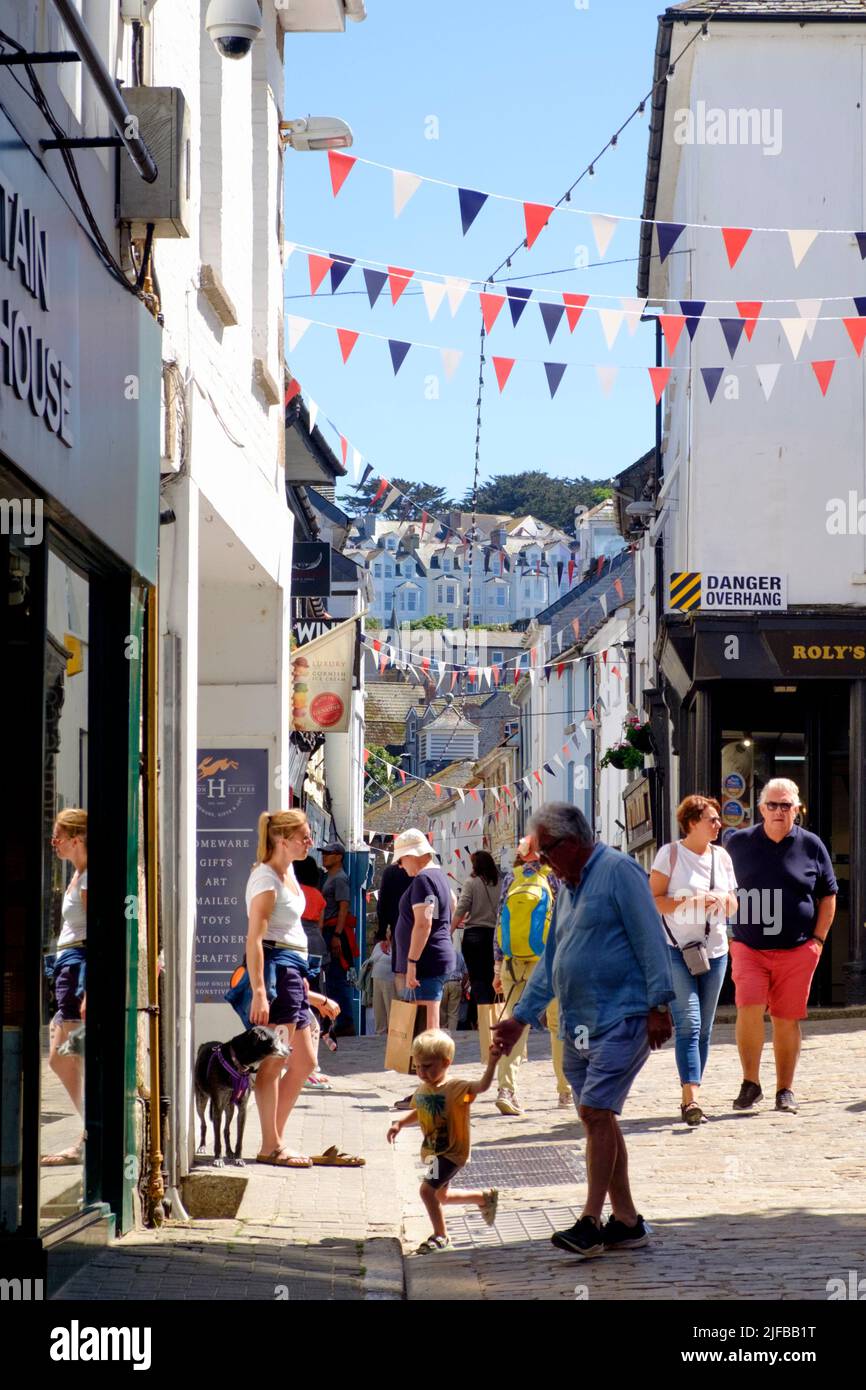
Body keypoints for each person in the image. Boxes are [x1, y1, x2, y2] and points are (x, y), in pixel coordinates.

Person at [493, 804, 675, 1260]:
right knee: (601, 1119)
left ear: (570, 843)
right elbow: (553, 958)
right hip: (578, 1022)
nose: (543, 862)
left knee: (594, 1112)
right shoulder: (568, 887)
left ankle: (590, 1221)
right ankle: (628, 1222)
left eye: (547, 852)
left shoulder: (619, 872)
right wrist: (520, 1017)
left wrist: (659, 1003)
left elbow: (650, 937)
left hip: (624, 1014)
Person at [725, 778, 837, 1115]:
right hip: (749, 945)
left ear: (797, 809)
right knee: (749, 1007)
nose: (778, 811)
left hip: (797, 948)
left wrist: (817, 941)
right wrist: (729, 935)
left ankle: (784, 1089)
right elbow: (720, 888)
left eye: (785, 805)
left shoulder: (812, 845)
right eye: (772, 805)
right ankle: (750, 1083)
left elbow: (828, 895)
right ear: (760, 809)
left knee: (787, 1019)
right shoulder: (738, 843)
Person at [246, 810, 340, 1166]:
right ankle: (271, 1145)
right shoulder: (266, 879)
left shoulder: (288, 875)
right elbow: (255, 939)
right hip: (278, 973)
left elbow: (289, 935)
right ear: (281, 840)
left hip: (293, 973)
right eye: (303, 836)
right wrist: (258, 990)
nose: (309, 842)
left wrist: (311, 995)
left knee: (304, 1061)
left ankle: (275, 1140)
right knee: (275, 1062)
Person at [650, 796, 738, 1126]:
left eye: (717, 819)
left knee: (705, 1030)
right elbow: (654, 901)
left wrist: (720, 901)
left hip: (714, 951)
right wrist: (691, 901)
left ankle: (690, 1093)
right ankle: (691, 1099)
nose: (718, 824)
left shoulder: (722, 857)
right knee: (690, 1023)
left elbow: (733, 904)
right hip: (675, 950)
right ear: (692, 823)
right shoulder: (670, 855)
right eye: (712, 819)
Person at [387, 1029, 501, 1253]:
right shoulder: (423, 1088)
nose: (422, 1072)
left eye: (428, 1066)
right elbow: (420, 1110)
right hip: (434, 1152)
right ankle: (484, 1198)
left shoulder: (457, 1089)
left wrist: (493, 1063)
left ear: (446, 1062)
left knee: (426, 1191)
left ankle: (441, 1236)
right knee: (442, 1196)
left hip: (451, 1152)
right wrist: (400, 1123)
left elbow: (482, 1087)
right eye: (418, 1066)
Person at [492, 838, 565, 1115]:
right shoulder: (556, 877)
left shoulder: (512, 877)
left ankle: (506, 1089)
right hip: (547, 962)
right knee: (558, 1026)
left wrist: (498, 966)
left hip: (514, 963)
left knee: (515, 1024)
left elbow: (500, 921)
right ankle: (565, 1090)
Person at [390, 828, 456, 1111]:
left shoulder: (423, 880)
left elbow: (424, 922)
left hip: (427, 961)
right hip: (437, 956)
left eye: (401, 860)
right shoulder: (439, 876)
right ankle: (430, 1089)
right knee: (431, 1027)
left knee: (429, 1031)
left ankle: (431, 1092)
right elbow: (452, 905)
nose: (399, 866)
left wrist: (412, 961)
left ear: (413, 856)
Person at [42, 808, 89, 1167]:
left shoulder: (87, 879)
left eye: (58, 836)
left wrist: (91, 988)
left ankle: (90, 1135)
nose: (53, 842)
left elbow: (97, 932)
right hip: (68, 968)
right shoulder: (77, 875)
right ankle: (90, 1133)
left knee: (65, 1056)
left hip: (78, 971)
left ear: (76, 839)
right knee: (63, 1056)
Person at [293, 854, 332, 1091]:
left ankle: (303, 1064)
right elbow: (320, 923)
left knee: (301, 995)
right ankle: (311, 1065)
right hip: (316, 942)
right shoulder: (318, 895)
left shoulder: (294, 891)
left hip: (299, 941)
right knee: (314, 987)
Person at [451, 851, 500, 1008]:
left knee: (477, 979)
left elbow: (462, 907)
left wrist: (450, 930)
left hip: (474, 936)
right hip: (495, 935)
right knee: (493, 977)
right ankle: (494, 1017)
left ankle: (484, 1014)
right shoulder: (501, 882)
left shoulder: (471, 882)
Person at [321, 841, 357, 1036]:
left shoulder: (340, 878)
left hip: (335, 931)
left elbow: (343, 907)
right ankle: (337, 1020)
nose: (324, 856)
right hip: (329, 930)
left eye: (329, 853)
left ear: (339, 857)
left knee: (337, 976)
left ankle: (345, 1021)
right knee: (332, 979)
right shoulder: (329, 877)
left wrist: (336, 935)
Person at [369, 927, 397, 1034]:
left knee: (391, 1009)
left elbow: (395, 960)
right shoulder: (379, 945)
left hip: (390, 980)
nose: (388, 935)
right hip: (377, 979)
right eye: (387, 933)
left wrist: (381, 956)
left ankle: (392, 1034)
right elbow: (372, 959)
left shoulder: (397, 946)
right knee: (379, 1009)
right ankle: (380, 1033)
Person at [440, 947, 468, 1035]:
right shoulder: (458, 954)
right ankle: (452, 1036)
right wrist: (462, 986)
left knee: (442, 1011)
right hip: (456, 983)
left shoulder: (440, 951)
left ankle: (443, 1035)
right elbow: (466, 973)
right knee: (453, 1013)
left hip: (442, 983)